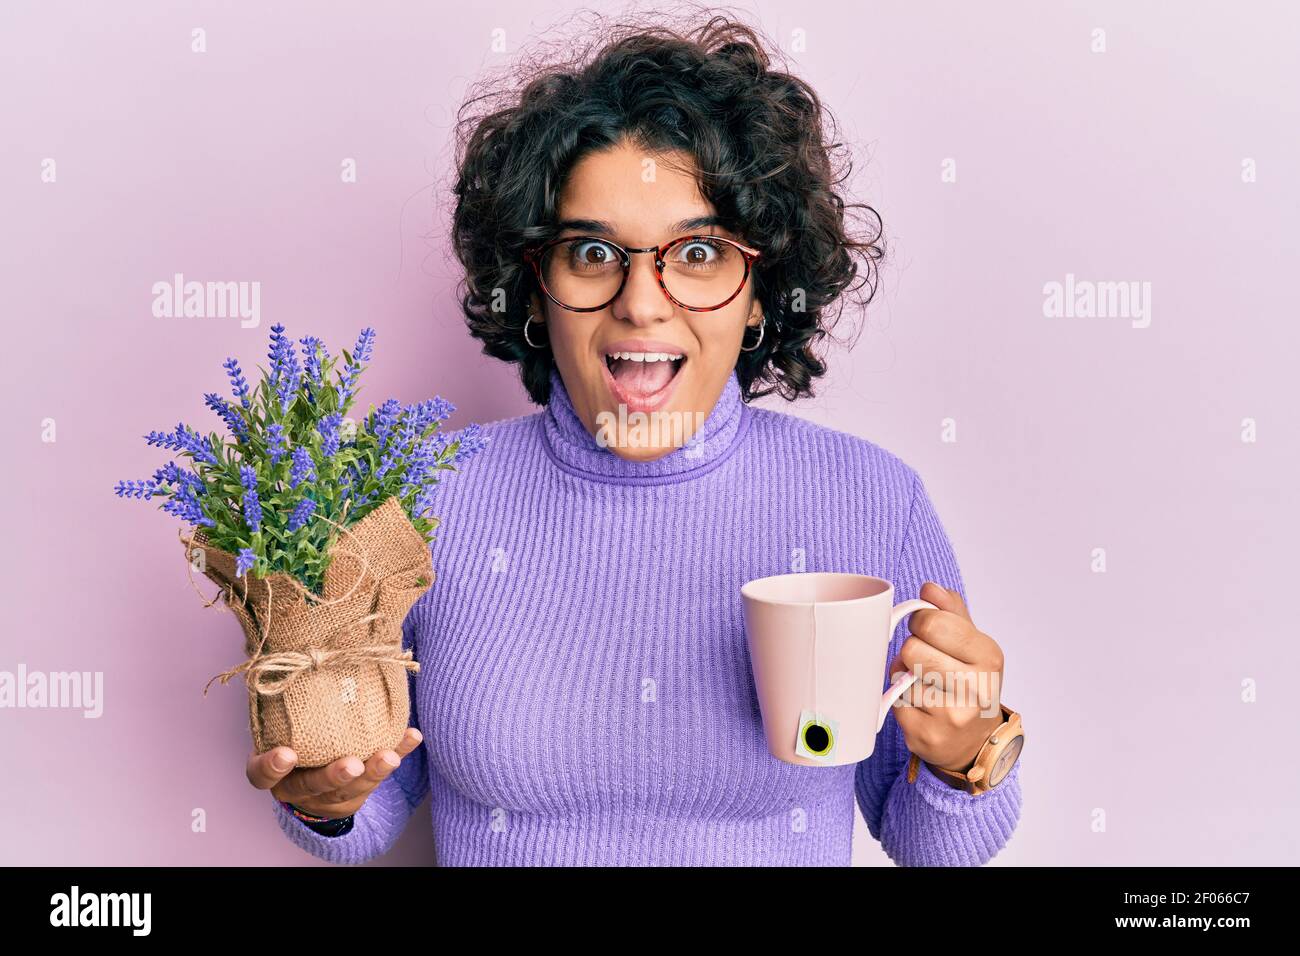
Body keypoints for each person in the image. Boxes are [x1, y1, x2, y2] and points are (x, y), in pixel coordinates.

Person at [246, 12, 1023, 866]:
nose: (641, 302)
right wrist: (327, 799)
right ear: (535, 288)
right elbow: (368, 805)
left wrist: (963, 755)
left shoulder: (870, 500)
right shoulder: (423, 499)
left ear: (761, 291)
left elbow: (933, 848)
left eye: (697, 251)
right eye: (591, 252)